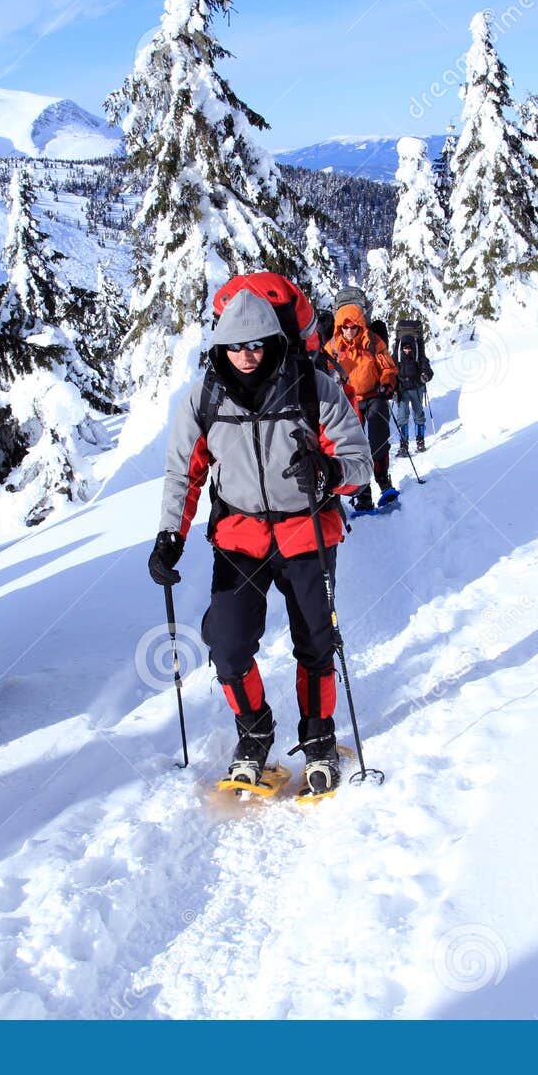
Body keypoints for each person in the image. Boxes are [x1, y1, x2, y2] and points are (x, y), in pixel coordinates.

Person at [150, 280, 372, 796]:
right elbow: (183, 472)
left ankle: (318, 737)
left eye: (256, 345)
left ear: (274, 340)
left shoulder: (314, 387)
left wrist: (328, 471)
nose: (247, 356)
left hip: (307, 532)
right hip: (239, 537)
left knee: (315, 643)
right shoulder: (204, 397)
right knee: (226, 645)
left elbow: (359, 464)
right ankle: (254, 731)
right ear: (221, 346)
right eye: (236, 346)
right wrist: (168, 536)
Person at [326, 304, 398, 511]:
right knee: (355, 446)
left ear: (360, 326)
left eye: (353, 327)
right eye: (345, 328)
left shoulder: (372, 342)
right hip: (349, 400)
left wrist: (387, 383)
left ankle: (384, 483)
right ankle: (363, 493)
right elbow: (326, 373)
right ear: (339, 328)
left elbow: (388, 367)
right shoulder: (333, 347)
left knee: (378, 440)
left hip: (376, 395)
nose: (349, 331)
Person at [392, 318, 433, 456]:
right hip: (402, 390)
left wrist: (425, 376)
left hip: (416, 388)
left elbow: (428, 369)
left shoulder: (418, 356)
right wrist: (393, 389)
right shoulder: (396, 359)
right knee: (402, 417)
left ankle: (420, 442)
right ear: (401, 348)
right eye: (405, 348)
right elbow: (391, 374)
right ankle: (404, 445)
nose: (407, 350)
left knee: (418, 415)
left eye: (409, 348)